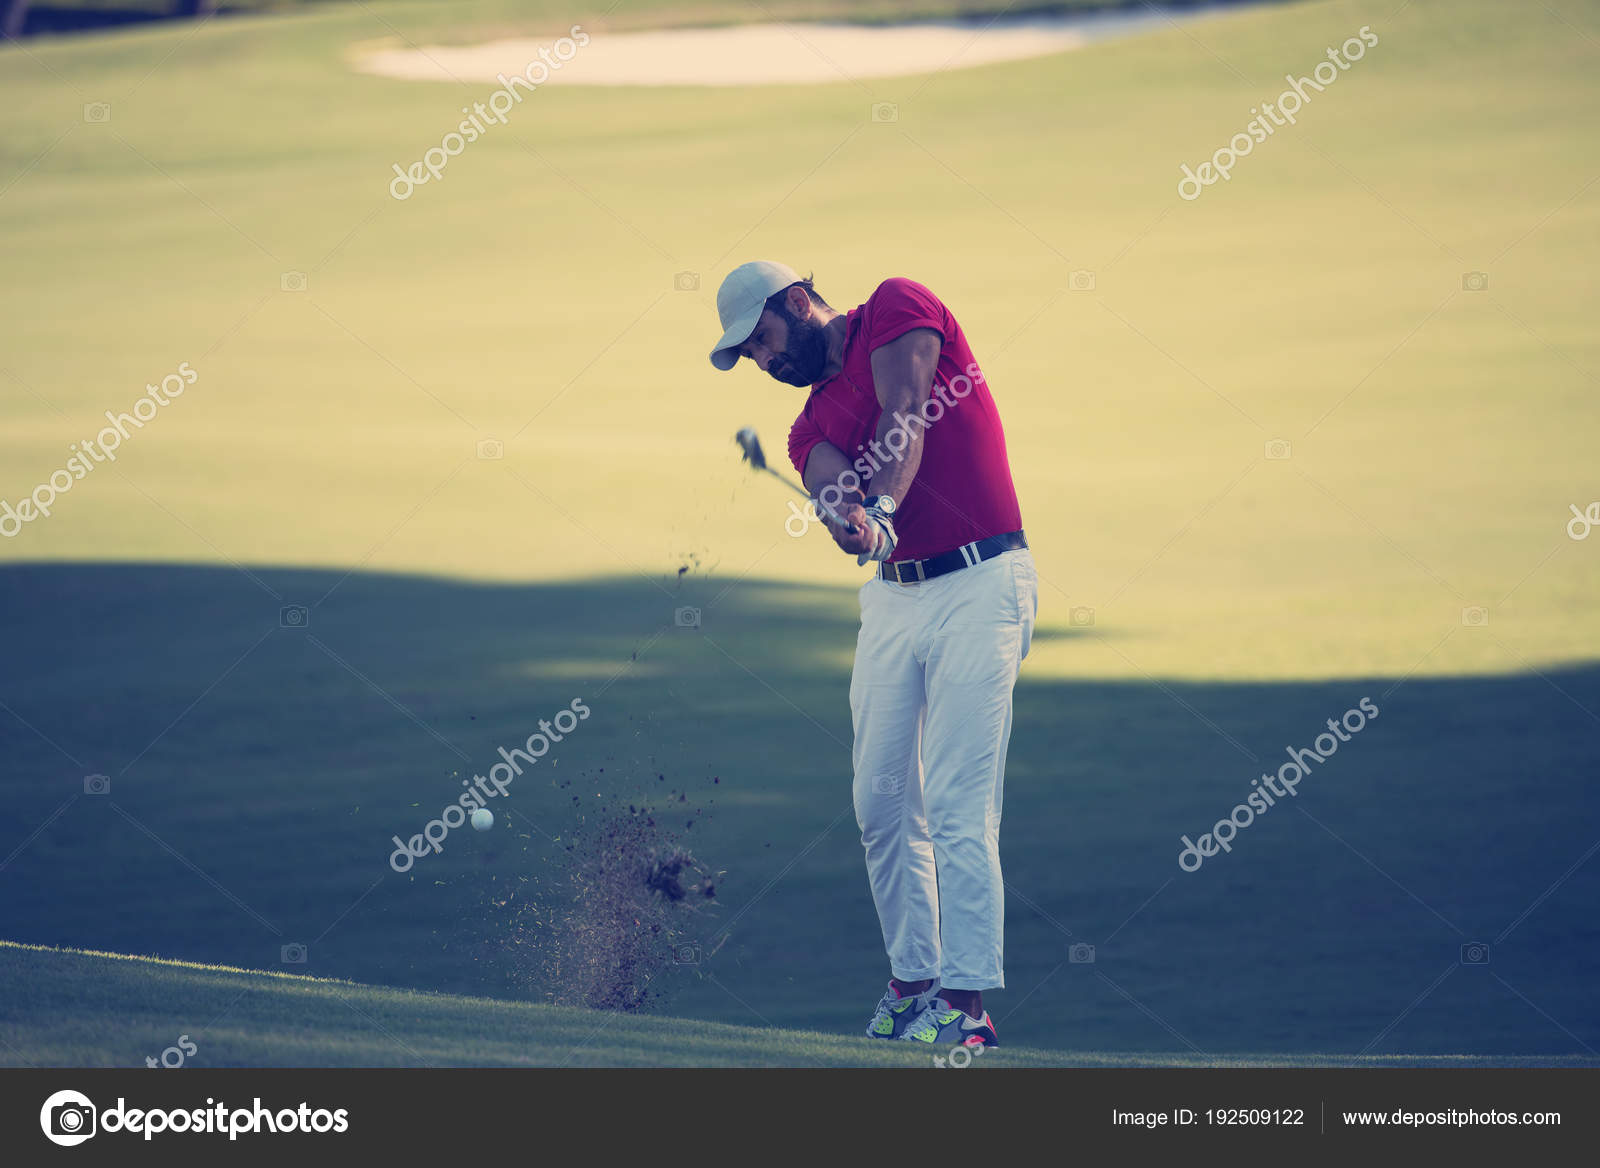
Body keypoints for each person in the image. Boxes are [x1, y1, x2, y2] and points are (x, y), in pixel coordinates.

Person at [708, 261, 1037, 1047]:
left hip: (980, 581)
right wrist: (846, 516)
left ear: (797, 302)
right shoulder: (805, 425)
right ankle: (912, 985)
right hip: (893, 599)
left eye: (763, 339)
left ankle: (967, 1009)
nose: (765, 359)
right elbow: (829, 482)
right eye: (750, 355)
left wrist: (880, 506)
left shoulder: (897, 306)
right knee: (881, 806)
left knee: (958, 801)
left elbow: (906, 414)